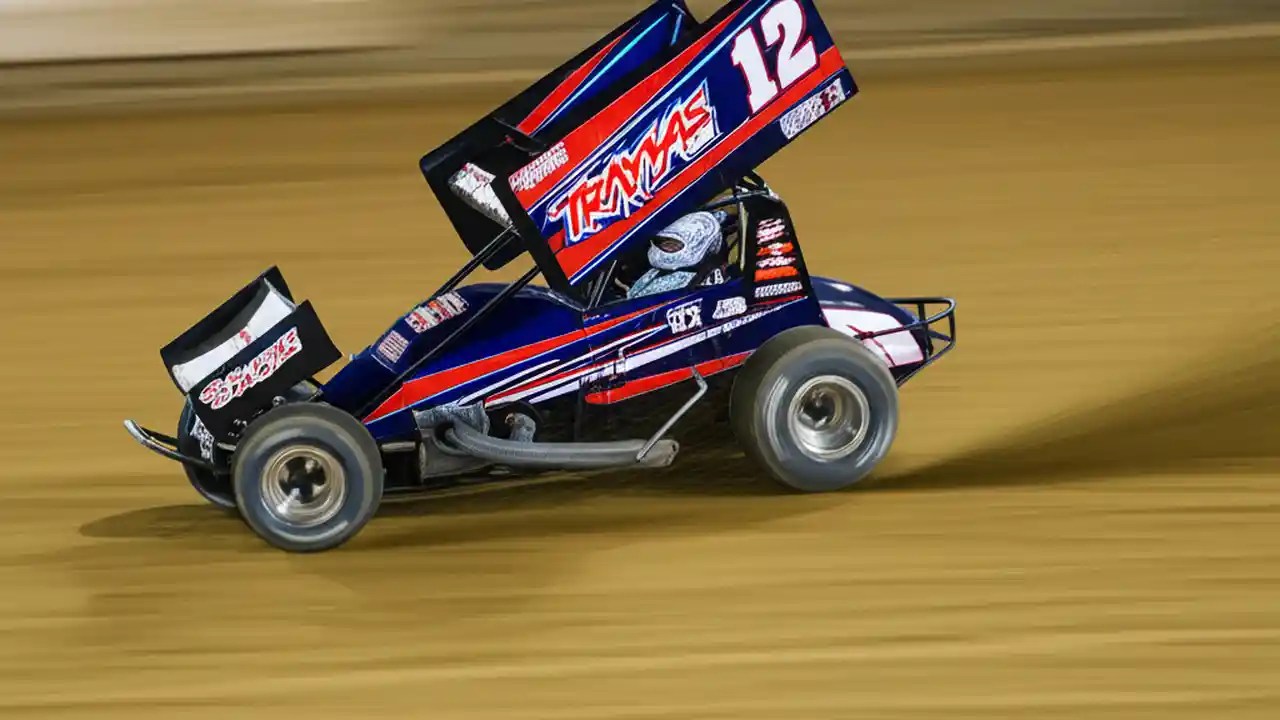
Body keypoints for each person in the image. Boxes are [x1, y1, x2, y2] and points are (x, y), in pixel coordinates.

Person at [626, 210, 730, 299]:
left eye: (673, 244)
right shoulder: (656, 271)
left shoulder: (703, 280)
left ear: (696, 244)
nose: (664, 248)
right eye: (661, 242)